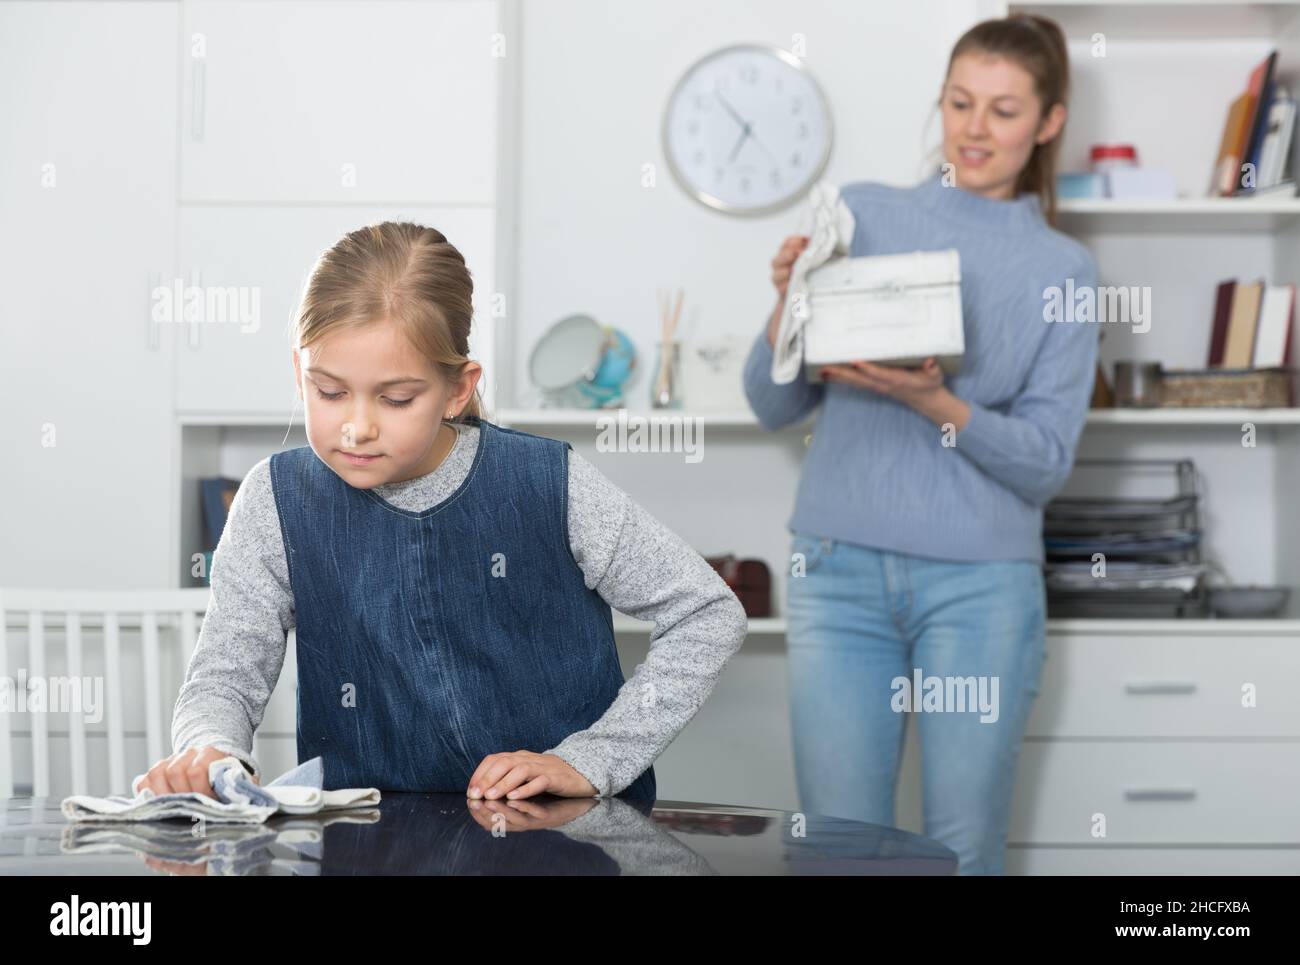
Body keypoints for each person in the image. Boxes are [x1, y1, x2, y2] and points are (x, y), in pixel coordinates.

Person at [142, 221, 747, 803]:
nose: (356, 426)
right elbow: (225, 675)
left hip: (566, 841)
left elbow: (707, 612)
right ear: (299, 374)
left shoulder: (549, 484)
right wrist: (212, 750)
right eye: (328, 392)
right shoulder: (273, 501)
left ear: (458, 389)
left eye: (396, 398)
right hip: (368, 844)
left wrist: (593, 757)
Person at [743, 14, 1098, 874]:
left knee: (961, 850)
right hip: (839, 574)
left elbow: (1047, 460)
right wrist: (789, 302)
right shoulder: (861, 212)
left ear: (1049, 123)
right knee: (835, 849)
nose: (975, 130)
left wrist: (935, 400)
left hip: (980, 589)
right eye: (960, 102)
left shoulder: (1065, 270)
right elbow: (771, 402)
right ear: (939, 102)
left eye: (1005, 111)